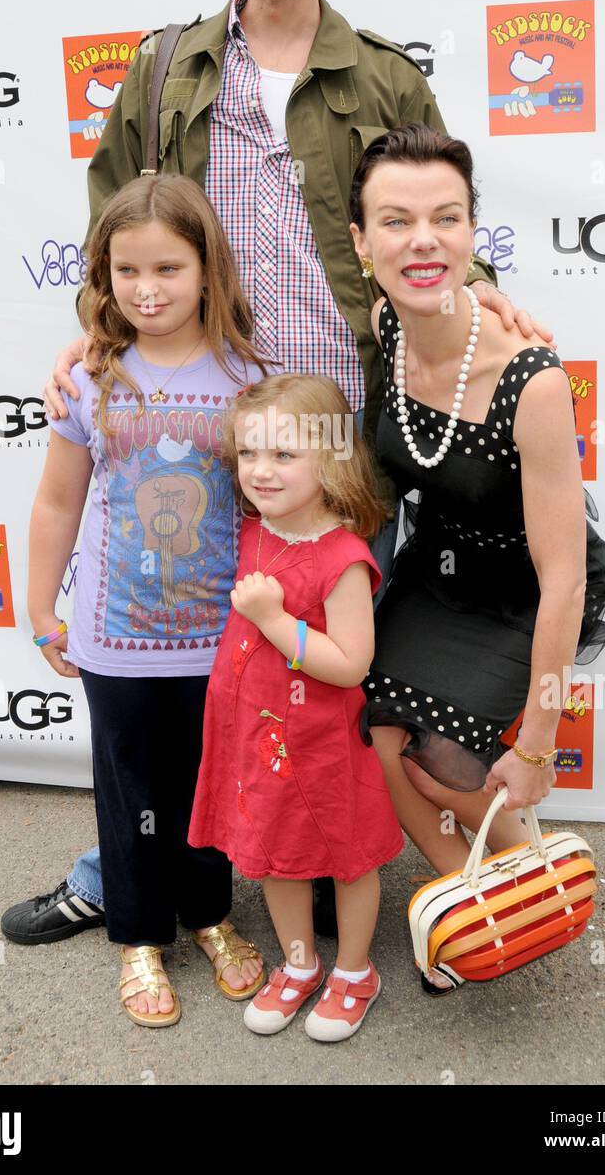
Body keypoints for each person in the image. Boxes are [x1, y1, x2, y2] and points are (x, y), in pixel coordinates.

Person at [2, 0, 547, 947]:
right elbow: (116, 224)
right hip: (213, 433)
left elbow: (432, 217)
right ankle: (127, 869)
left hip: (350, 436)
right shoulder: (163, 71)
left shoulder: (384, 78)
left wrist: (482, 294)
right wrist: (91, 329)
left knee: (324, 678)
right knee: (178, 667)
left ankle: (337, 892)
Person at [348, 125, 605, 993]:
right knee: (373, 724)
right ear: (361, 244)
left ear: (472, 234)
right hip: (438, 570)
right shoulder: (385, 323)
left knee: (444, 755)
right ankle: (461, 898)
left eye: (445, 218)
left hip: (525, 590)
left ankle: (532, 884)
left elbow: (565, 578)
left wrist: (539, 739)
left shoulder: (532, 379)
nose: (421, 240)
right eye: (395, 221)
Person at [27, 173, 271, 1024]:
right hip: (113, 638)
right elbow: (59, 501)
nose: (146, 289)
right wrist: (39, 609)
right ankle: (138, 938)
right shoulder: (91, 379)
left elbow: (274, 504)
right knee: (128, 790)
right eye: (126, 271)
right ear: (104, 275)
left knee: (209, 785)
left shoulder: (248, 375)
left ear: (206, 268)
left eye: (167, 268)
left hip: (220, 639)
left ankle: (209, 917)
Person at [188, 374, 403, 1041]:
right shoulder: (253, 530)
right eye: (249, 453)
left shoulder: (342, 556)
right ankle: (300, 962)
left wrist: (273, 620)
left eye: (283, 455)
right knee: (270, 854)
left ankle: (355, 971)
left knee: (347, 858)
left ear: (330, 458)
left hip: (322, 742)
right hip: (254, 738)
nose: (261, 470)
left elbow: (349, 663)